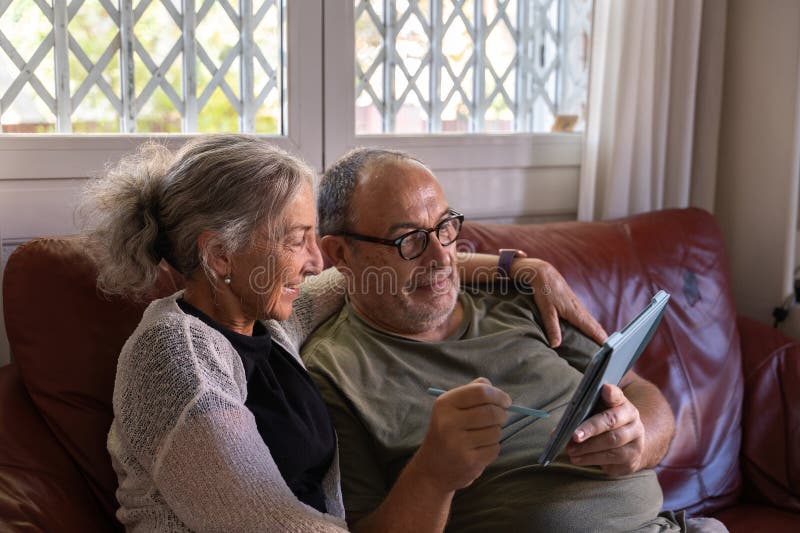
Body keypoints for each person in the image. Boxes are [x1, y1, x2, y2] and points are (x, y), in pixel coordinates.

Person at [80, 135, 607, 532]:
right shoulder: (174, 357)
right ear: (220, 255)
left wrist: (520, 267)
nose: (315, 261)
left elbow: (386, 269)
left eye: (316, 239)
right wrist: (433, 475)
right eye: (296, 241)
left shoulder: (267, 319)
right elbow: (270, 523)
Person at [302, 148, 727, 532]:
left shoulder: (521, 299)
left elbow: (638, 390)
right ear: (340, 254)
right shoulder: (334, 373)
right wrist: (432, 475)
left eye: (445, 227)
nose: (442, 256)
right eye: (408, 239)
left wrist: (639, 438)